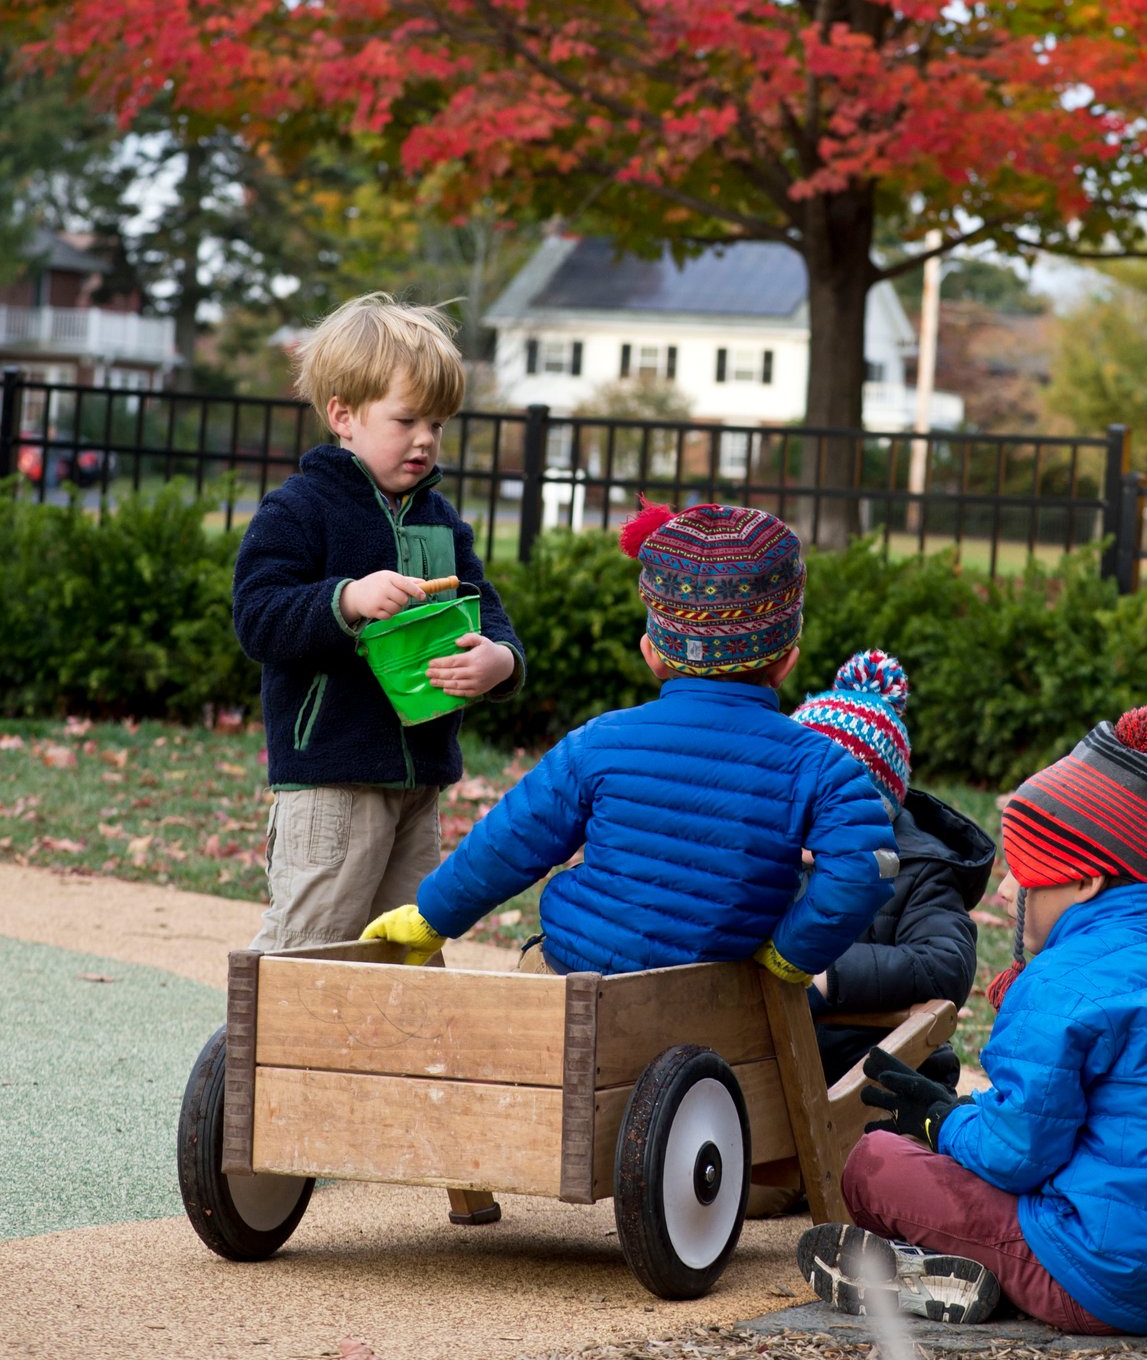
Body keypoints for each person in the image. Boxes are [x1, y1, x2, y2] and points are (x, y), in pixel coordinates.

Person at [796, 707, 1147, 1332]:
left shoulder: (1062, 981)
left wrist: (943, 1121)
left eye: (1027, 881)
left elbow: (1015, 1155)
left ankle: (923, 1275)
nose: (1007, 896)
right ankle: (948, 1270)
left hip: (1089, 1277)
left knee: (873, 1161)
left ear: (1086, 881)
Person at [361, 499, 898, 982]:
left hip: (579, 973)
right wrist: (790, 956)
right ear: (787, 663)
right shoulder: (823, 766)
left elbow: (514, 837)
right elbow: (865, 867)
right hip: (722, 986)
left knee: (536, 968)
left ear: (652, 653)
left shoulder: (600, 743)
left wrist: (431, 916)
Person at [233, 292, 525, 953]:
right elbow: (256, 616)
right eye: (406, 419)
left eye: (439, 424)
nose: (425, 439)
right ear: (344, 416)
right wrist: (345, 600)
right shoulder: (300, 509)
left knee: (408, 947)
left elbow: (485, 605)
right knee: (312, 946)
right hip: (331, 778)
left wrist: (500, 660)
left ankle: (398, 1061)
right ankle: (260, 1057)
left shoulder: (439, 519)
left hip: (419, 781)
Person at [789, 649, 995, 1089]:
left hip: (883, 1072)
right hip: (781, 1066)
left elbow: (947, 961)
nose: (795, 816)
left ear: (873, 811)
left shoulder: (919, 868)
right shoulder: (774, 854)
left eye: (818, 806)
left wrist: (829, 975)